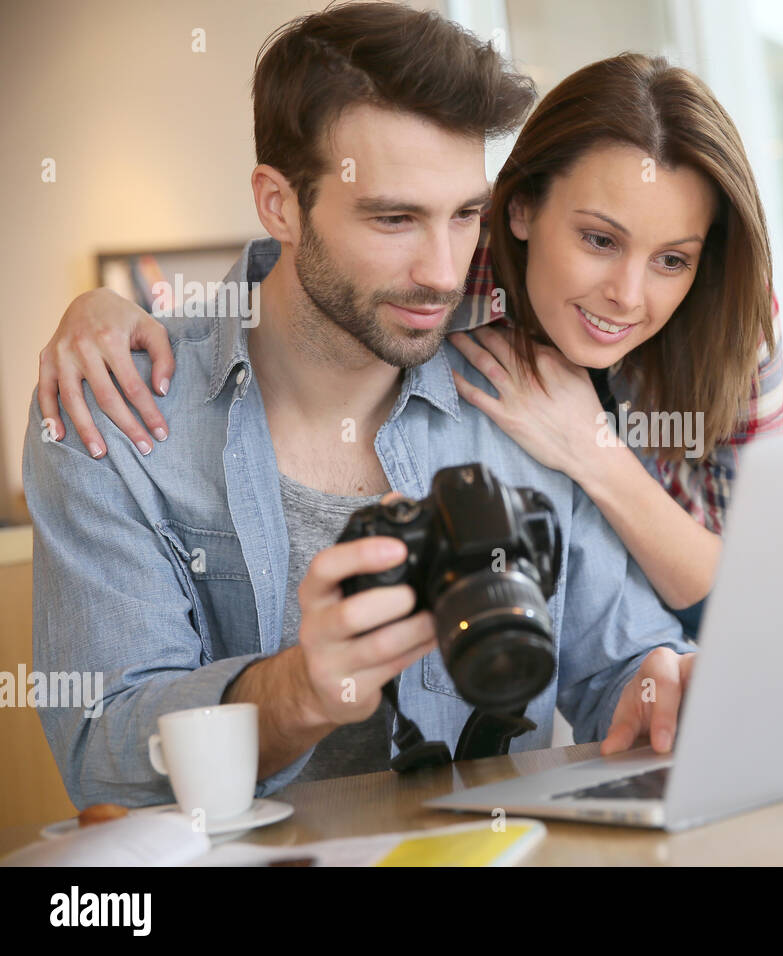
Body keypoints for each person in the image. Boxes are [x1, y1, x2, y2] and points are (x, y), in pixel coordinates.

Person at [23, 2, 698, 810]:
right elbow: (103, 754)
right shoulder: (111, 409)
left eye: (465, 215)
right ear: (279, 203)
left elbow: (621, 664)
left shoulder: (526, 400)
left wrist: (656, 683)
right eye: (394, 218)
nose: (443, 273)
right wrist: (299, 693)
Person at [36, 55, 783, 639]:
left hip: (692, 651)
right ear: (519, 209)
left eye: (672, 259)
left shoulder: (732, 323)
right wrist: (102, 311)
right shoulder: (451, 277)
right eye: (599, 240)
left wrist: (594, 452)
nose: (627, 294)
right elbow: (315, 278)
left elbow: (765, 600)